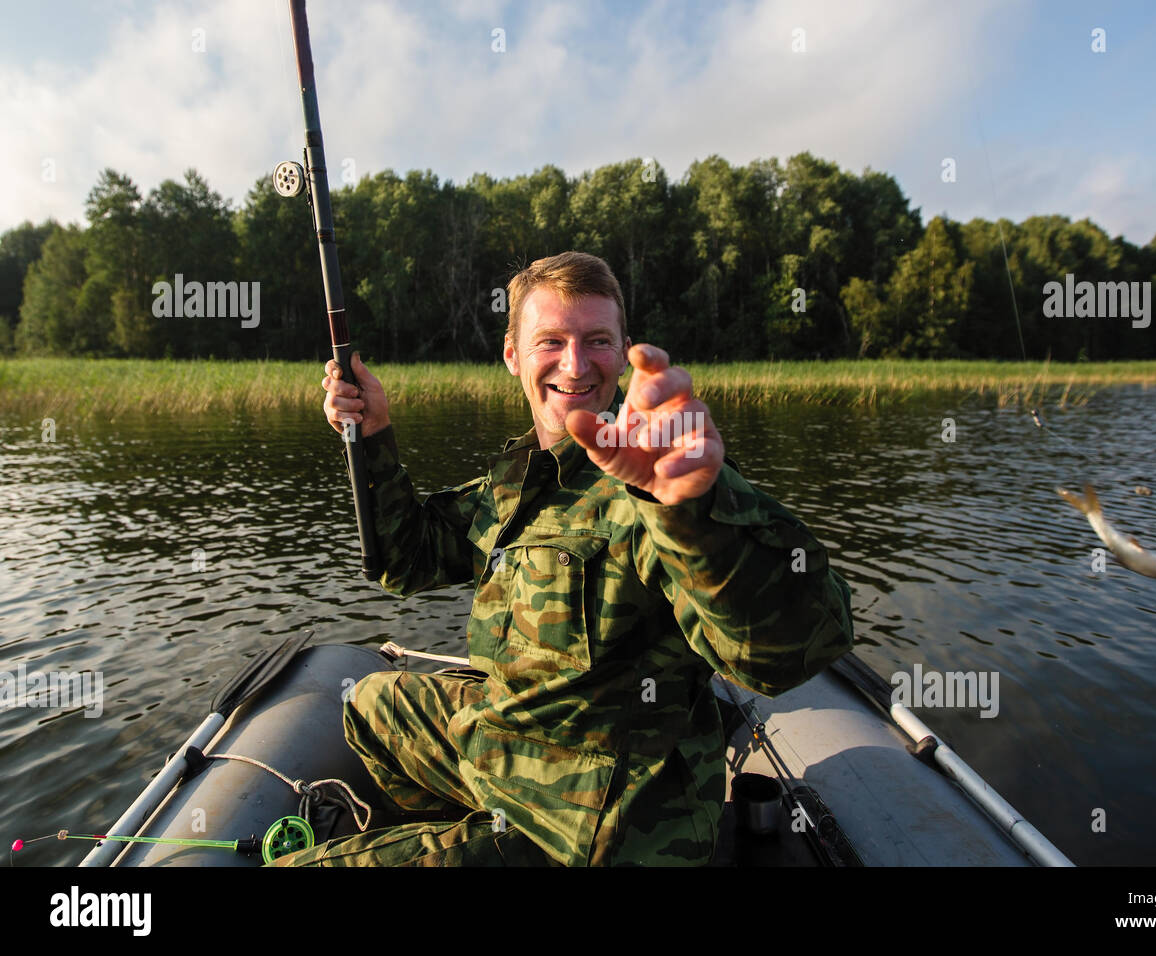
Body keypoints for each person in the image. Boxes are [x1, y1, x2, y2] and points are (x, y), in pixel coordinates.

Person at [274, 251, 853, 866]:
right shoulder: (520, 479)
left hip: (594, 827)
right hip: (509, 744)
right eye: (551, 340)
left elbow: (788, 653)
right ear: (512, 356)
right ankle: (467, 825)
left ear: (623, 349)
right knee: (368, 706)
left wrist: (696, 509)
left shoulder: (655, 485)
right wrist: (373, 437)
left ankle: (485, 846)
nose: (575, 365)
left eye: (597, 341)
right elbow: (405, 557)